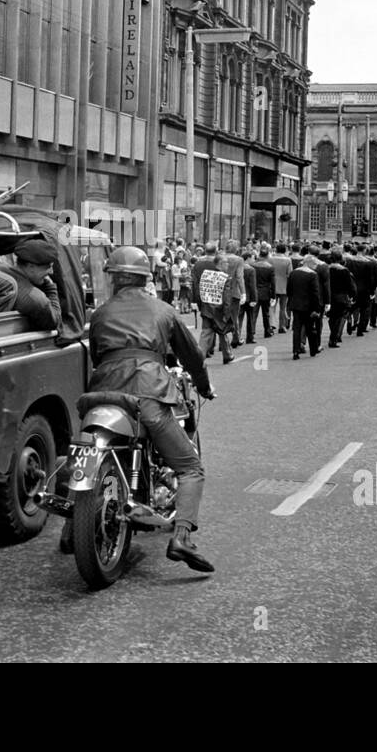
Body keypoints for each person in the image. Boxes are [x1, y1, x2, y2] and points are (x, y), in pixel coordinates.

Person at [84, 246, 216, 573]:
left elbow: (99, 356)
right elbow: (192, 357)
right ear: (148, 278)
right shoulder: (164, 311)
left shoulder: (99, 314)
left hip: (102, 393)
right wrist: (203, 386)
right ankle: (182, 538)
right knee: (190, 468)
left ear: (113, 279)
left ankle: (74, 525)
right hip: (147, 392)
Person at [190, 242, 233, 365]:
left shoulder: (204, 273)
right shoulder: (225, 277)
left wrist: (197, 303)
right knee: (222, 331)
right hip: (219, 309)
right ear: (220, 263)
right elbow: (227, 298)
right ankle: (227, 354)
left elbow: (197, 287)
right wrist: (227, 312)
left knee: (205, 333)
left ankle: (200, 357)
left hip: (206, 307)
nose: (228, 265)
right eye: (226, 263)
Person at [286, 251, 322, 359]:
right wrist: (317, 308)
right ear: (309, 263)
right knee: (310, 328)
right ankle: (313, 350)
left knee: (296, 328)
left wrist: (291, 301)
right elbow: (315, 293)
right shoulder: (312, 275)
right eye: (314, 264)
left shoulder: (293, 273)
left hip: (296, 305)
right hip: (309, 306)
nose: (315, 267)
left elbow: (289, 290)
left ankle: (295, 351)